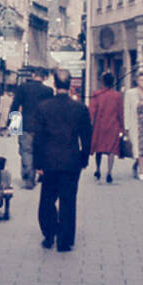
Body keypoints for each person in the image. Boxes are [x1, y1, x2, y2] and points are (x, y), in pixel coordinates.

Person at [29, 70, 93, 251]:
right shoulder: (80, 108)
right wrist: (84, 159)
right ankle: (65, 241)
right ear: (70, 84)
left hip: (49, 161)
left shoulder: (43, 107)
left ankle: (49, 235)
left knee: (47, 199)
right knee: (68, 201)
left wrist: (37, 163)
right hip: (71, 160)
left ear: (55, 85)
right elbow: (87, 136)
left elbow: (38, 137)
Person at [12, 70, 54, 189]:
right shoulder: (48, 91)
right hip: (42, 126)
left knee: (26, 151)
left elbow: (15, 105)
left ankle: (29, 176)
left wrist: (13, 126)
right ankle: (36, 173)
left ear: (33, 75)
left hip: (26, 124)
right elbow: (50, 110)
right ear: (44, 78)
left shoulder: (23, 88)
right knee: (40, 151)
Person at [87, 73, 125, 183]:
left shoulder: (97, 94)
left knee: (99, 149)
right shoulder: (117, 96)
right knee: (111, 150)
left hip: (99, 126)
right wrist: (122, 127)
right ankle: (109, 172)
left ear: (102, 82)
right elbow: (120, 112)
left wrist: (90, 124)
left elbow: (92, 111)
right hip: (113, 126)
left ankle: (98, 169)